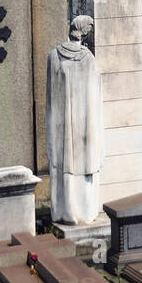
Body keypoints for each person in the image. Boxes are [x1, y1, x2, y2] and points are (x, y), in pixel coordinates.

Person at [45, 16, 103, 226]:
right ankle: (85, 211)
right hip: (84, 124)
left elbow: (50, 97)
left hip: (61, 124)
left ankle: (63, 211)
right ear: (84, 32)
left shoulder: (54, 56)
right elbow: (95, 93)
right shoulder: (88, 59)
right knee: (82, 164)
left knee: (64, 164)